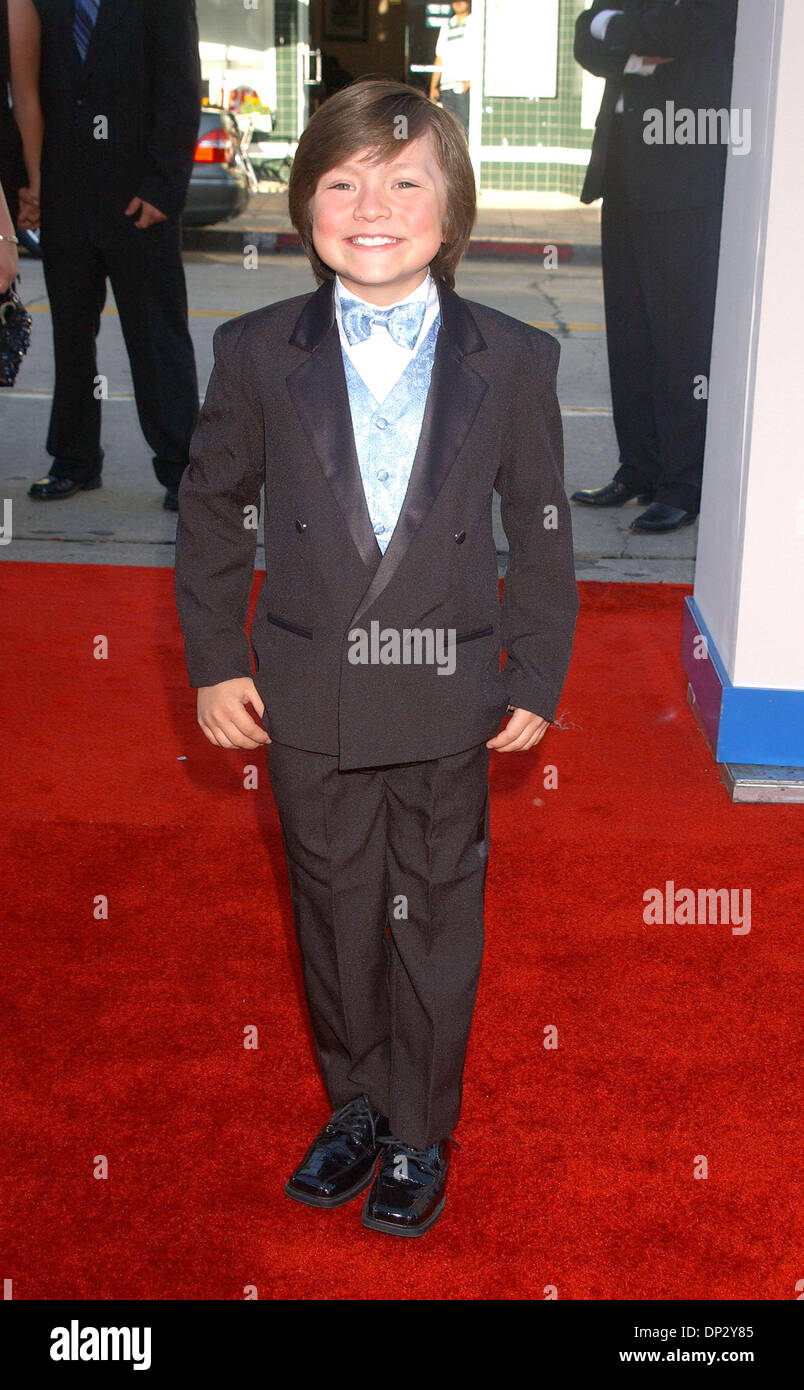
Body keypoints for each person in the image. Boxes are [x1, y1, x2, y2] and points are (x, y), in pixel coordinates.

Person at [174, 78, 578, 1237]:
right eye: (343, 180)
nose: (373, 204)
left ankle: (418, 1128)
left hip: (453, 692)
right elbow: (212, 511)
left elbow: (542, 529)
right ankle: (354, 1102)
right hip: (308, 696)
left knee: (435, 921)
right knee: (336, 911)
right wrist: (213, 660)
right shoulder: (254, 349)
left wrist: (538, 670)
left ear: (451, 214)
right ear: (306, 208)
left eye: (405, 180)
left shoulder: (515, 359)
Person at [27, 0, 201, 511]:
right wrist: (24, 185)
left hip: (139, 203)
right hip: (64, 200)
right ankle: (74, 460)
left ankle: (181, 469)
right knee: (71, 339)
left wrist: (164, 188)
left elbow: (180, 86)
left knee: (157, 340)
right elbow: (24, 91)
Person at [572, 0, 738, 533]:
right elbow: (584, 38)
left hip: (683, 175)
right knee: (629, 335)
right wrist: (631, 46)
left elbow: (677, 30)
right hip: (622, 172)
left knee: (680, 341)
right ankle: (638, 468)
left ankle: (682, 484)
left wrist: (617, 33)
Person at [429, 0, 474, 137]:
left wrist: (471, 82)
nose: (458, 3)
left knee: (464, 129)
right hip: (447, 86)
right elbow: (440, 57)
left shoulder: (476, 23)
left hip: (464, 85)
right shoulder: (446, 27)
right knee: (450, 128)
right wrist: (433, 86)